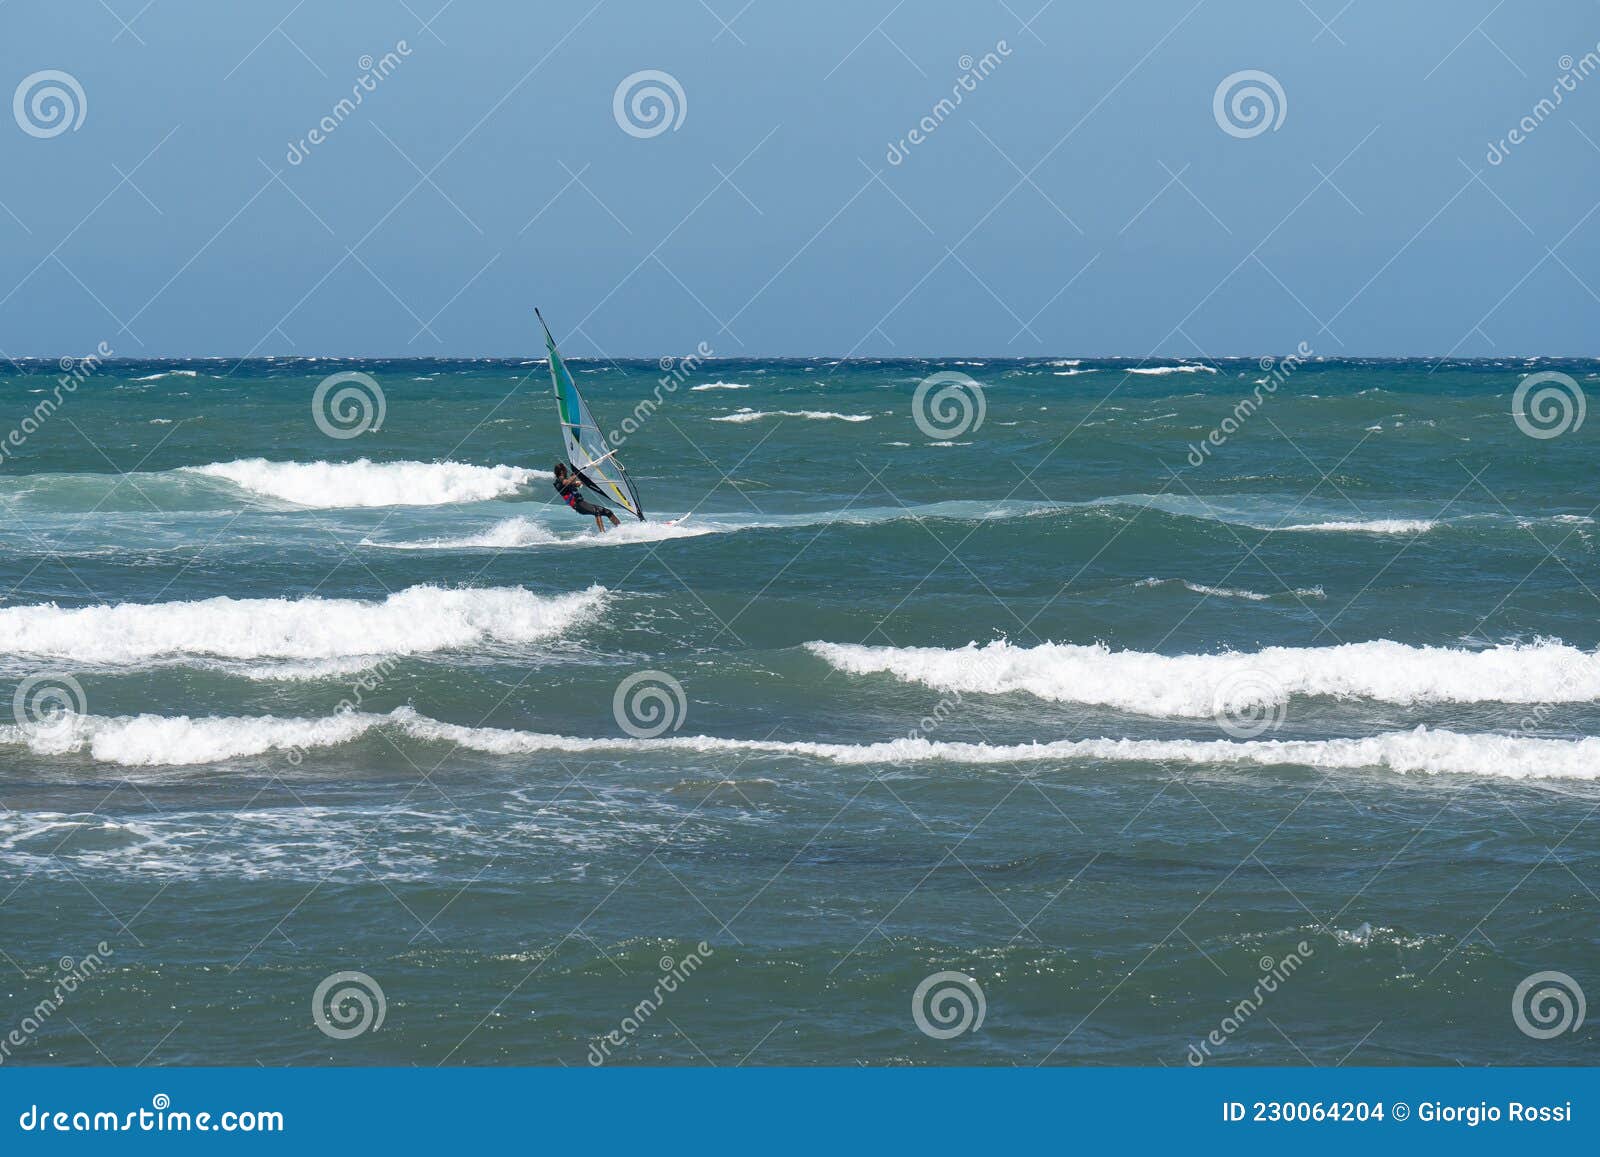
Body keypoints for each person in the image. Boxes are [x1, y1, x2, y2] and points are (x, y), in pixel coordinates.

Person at [553, 462, 621, 532]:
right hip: (577, 504)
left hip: (581, 503)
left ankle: (620, 529)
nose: (566, 470)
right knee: (597, 511)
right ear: (561, 471)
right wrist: (577, 473)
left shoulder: (565, 481)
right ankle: (602, 534)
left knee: (608, 512)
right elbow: (567, 482)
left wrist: (583, 481)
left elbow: (576, 484)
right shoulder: (560, 480)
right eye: (565, 469)